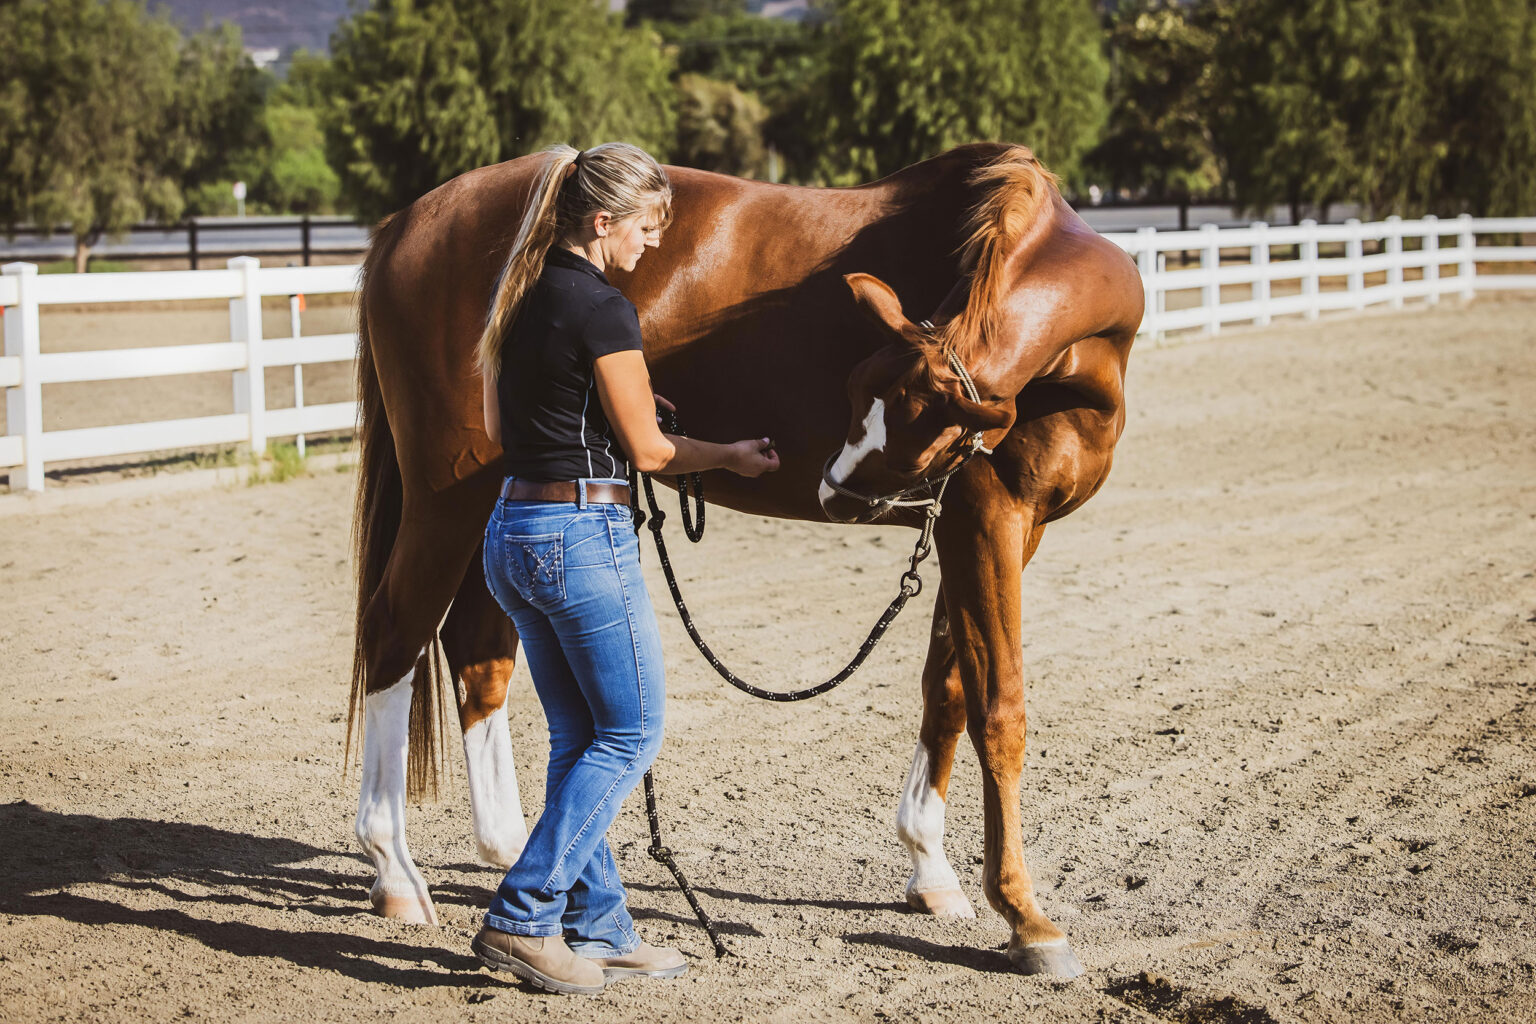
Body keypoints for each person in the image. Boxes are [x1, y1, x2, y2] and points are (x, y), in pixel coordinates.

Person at [472, 142, 780, 995]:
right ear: (602, 222)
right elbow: (648, 449)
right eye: (646, 227)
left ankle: (598, 925)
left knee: (580, 737)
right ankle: (523, 914)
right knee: (632, 732)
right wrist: (732, 456)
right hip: (579, 537)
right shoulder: (603, 308)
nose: (653, 244)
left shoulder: (519, 297)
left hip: (514, 529)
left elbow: (504, 426)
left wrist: (607, 415)